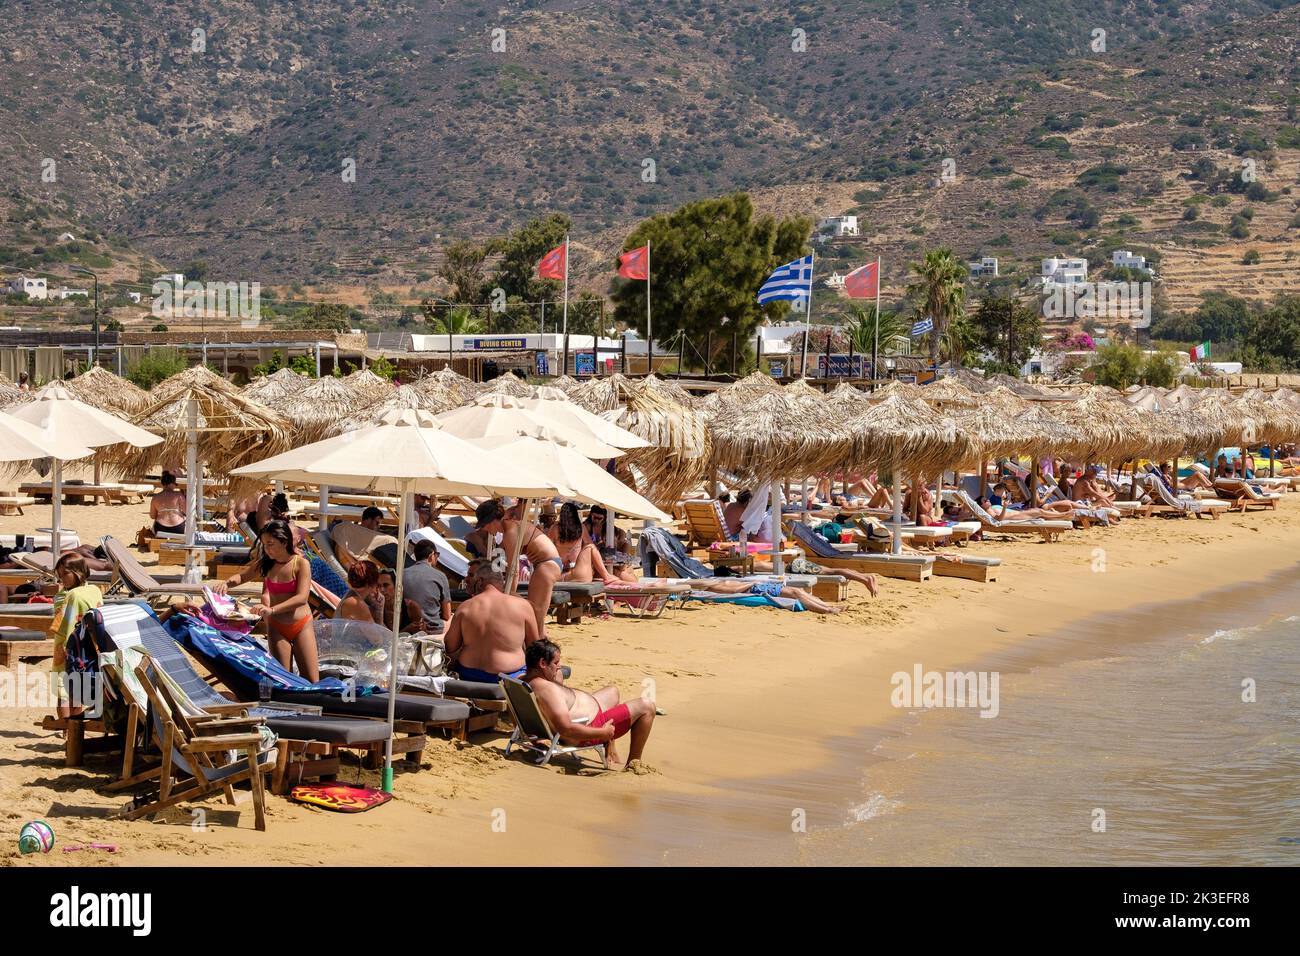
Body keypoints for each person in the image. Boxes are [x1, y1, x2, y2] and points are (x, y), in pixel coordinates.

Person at [524, 638, 656, 772]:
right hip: (588, 729)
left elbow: (519, 720)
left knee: (613, 691)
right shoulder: (547, 690)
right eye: (556, 662)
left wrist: (535, 740)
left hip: (587, 715)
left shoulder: (520, 682)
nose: (559, 667)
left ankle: (610, 745)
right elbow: (566, 729)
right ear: (542, 663)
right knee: (647, 706)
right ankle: (633, 764)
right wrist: (603, 733)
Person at [474, 498, 562, 636]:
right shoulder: (508, 528)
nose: (484, 529)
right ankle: (540, 643)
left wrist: (508, 594)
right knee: (535, 613)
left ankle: (540, 648)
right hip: (548, 564)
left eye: (484, 525)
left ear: (491, 521)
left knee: (536, 615)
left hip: (546, 565)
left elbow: (513, 570)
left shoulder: (510, 532)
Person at [249, 520, 318, 682]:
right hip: (277, 627)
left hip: (301, 624)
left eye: (270, 544)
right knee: (283, 680)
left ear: (284, 542)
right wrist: (226, 583)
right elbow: (243, 576)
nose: (266, 548)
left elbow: (302, 598)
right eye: (264, 544)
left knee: (311, 680)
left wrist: (272, 610)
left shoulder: (301, 563)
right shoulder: (267, 564)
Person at [444, 565, 538, 683]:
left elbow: (450, 646)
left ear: (479, 582)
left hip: (468, 674)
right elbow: (534, 647)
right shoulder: (522, 606)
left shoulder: (465, 607)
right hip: (511, 677)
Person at [49, 553, 103, 719]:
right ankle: (71, 729)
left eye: (66, 574)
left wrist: (66, 648)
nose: (62, 579)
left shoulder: (72, 596)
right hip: (84, 647)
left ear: (78, 572)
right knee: (73, 689)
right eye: (60, 575)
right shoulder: (93, 590)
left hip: (69, 647)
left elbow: (64, 626)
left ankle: (70, 729)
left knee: (65, 690)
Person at [689, 576, 845, 614]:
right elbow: (735, 592)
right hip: (756, 589)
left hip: (758, 586)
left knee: (800, 592)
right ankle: (827, 610)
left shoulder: (720, 581)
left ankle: (827, 606)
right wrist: (752, 583)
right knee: (796, 593)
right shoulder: (718, 587)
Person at [402, 538, 451, 632]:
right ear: (431, 555)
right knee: (453, 619)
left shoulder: (402, 573)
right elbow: (447, 615)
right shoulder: (440, 576)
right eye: (437, 555)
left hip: (408, 627)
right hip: (433, 629)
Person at [377, 567, 424, 634]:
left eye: (386, 585)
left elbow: (421, 632)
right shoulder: (377, 607)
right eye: (378, 586)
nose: (382, 589)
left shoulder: (411, 607)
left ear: (396, 586)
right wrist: (407, 629)